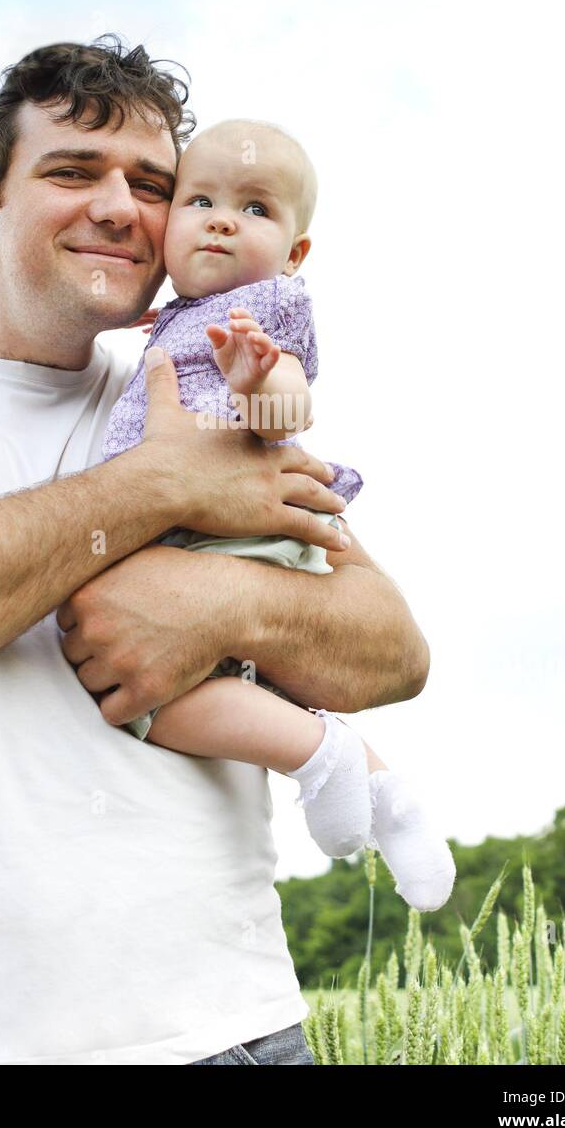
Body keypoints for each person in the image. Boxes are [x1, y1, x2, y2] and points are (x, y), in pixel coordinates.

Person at [0, 34, 431, 1066]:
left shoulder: (205, 398)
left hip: (220, 1036)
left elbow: (389, 649)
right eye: (69, 171)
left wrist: (221, 606)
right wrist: (149, 490)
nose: (118, 207)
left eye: (152, 183)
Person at [98, 117, 456, 912]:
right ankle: (386, 793)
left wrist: (258, 382)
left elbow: (292, 405)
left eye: (256, 208)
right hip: (202, 539)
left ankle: (321, 758)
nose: (224, 219)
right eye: (201, 201)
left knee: (152, 695)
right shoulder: (177, 313)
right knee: (220, 684)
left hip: (231, 537)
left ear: (295, 254)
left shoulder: (264, 314)